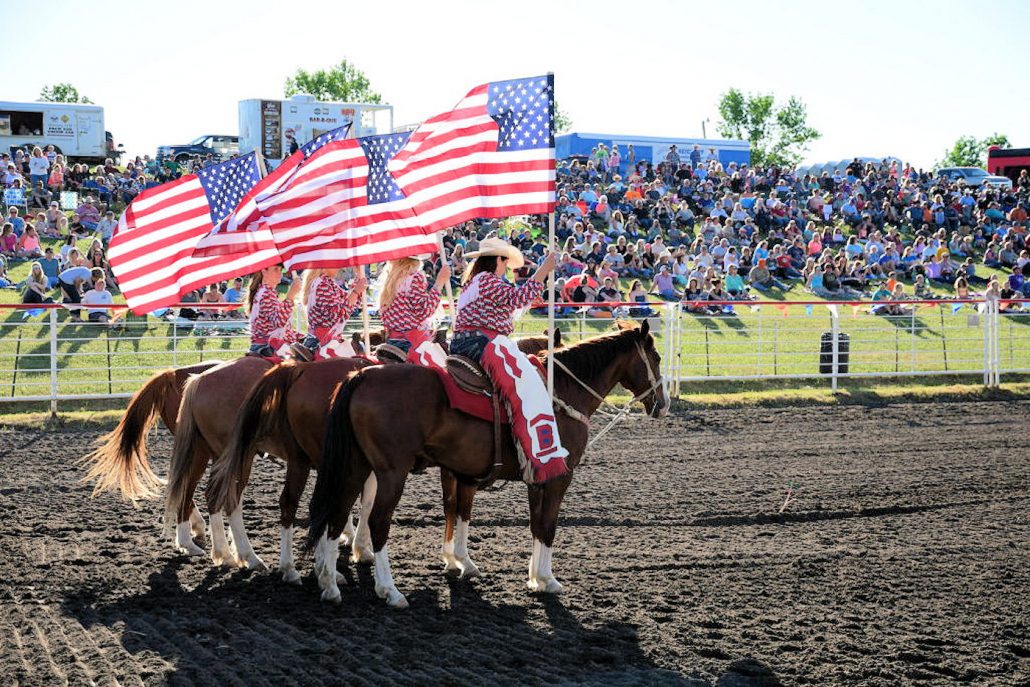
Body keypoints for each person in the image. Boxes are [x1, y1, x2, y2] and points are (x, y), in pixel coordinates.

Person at [450, 238, 568, 484]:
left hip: (465, 341)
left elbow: (515, 301)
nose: (506, 267)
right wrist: (544, 271)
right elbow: (518, 299)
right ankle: (537, 453)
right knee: (525, 385)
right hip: (482, 341)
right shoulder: (488, 280)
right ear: (498, 260)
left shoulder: (474, 282)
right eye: (504, 261)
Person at [378, 258, 449, 366]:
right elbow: (423, 311)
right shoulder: (415, 277)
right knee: (443, 372)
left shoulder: (390, 279)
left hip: (392, 342)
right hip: (413, 342)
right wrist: (439, 283)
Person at [299, 268, 368, 360]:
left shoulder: (326, 282)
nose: (339, 267)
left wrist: (359, 276)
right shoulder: (323, 284)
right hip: (323, 343)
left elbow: (350, 304)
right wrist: (356, 292)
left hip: (325, 341)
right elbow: (336, 316)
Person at [247, 264, 304, 358]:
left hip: (264, 344)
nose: (280, 273)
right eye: (276, 269)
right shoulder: (266, 293)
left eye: (281, 270)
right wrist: (290, 296)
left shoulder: (264, 292)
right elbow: (278, 322)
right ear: (264, 271)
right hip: (270, 346)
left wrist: (298, 336)